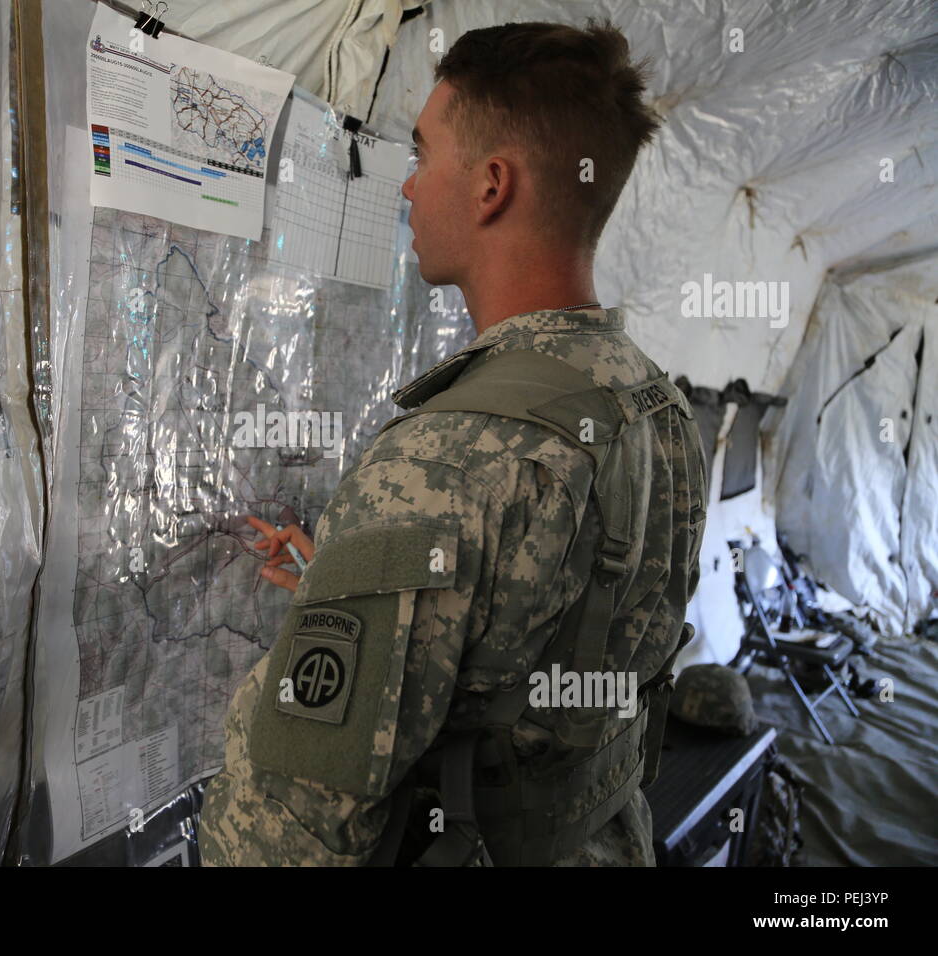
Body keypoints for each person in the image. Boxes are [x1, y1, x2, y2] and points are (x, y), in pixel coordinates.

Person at [198, 18, 708, 866]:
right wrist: (354, 579)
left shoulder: (443, 458)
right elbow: (539, 646)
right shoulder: (657, 406)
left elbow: (288, 832)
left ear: (490, 186)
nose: (406, 187)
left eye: (423, 154)